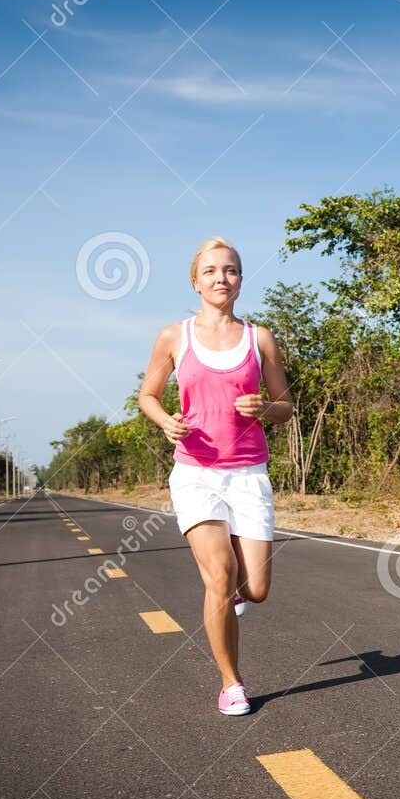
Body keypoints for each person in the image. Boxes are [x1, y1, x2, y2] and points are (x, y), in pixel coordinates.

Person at [138, 236, 293, 715]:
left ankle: (237, 596)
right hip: (196, 473)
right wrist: (166, 422)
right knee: (219, 576)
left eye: (229, 270)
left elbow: (285, 407)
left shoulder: (259, 338)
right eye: (210, 271)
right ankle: (231, 684)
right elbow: (148, 396)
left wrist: (264, 408)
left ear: (240, 280)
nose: (220, 278)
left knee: (257, 590)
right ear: (195, 282)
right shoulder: (174, 337)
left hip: (248, 474)